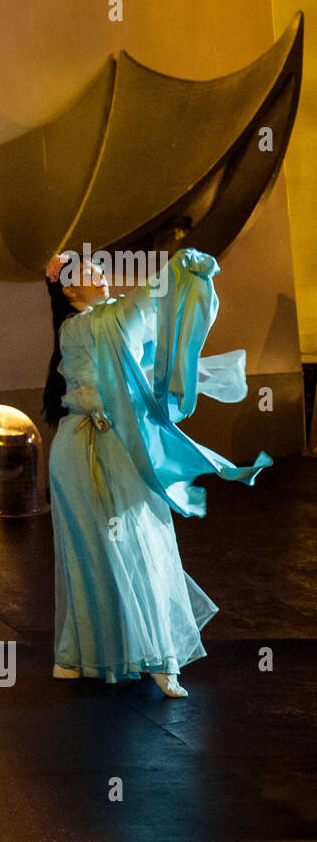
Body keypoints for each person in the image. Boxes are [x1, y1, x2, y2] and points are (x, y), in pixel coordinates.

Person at [42, 247, 271, 697]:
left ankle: (153, 656)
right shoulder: (80, 328)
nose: (102, 275)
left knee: (143, 539)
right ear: (69, 288)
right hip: (81, 447)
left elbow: (150, 323)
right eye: (90, 271)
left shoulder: (106, 321)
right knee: (93, 552)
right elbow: (142, 305)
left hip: (115, 443)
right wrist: (173, 270)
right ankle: (84, 654)